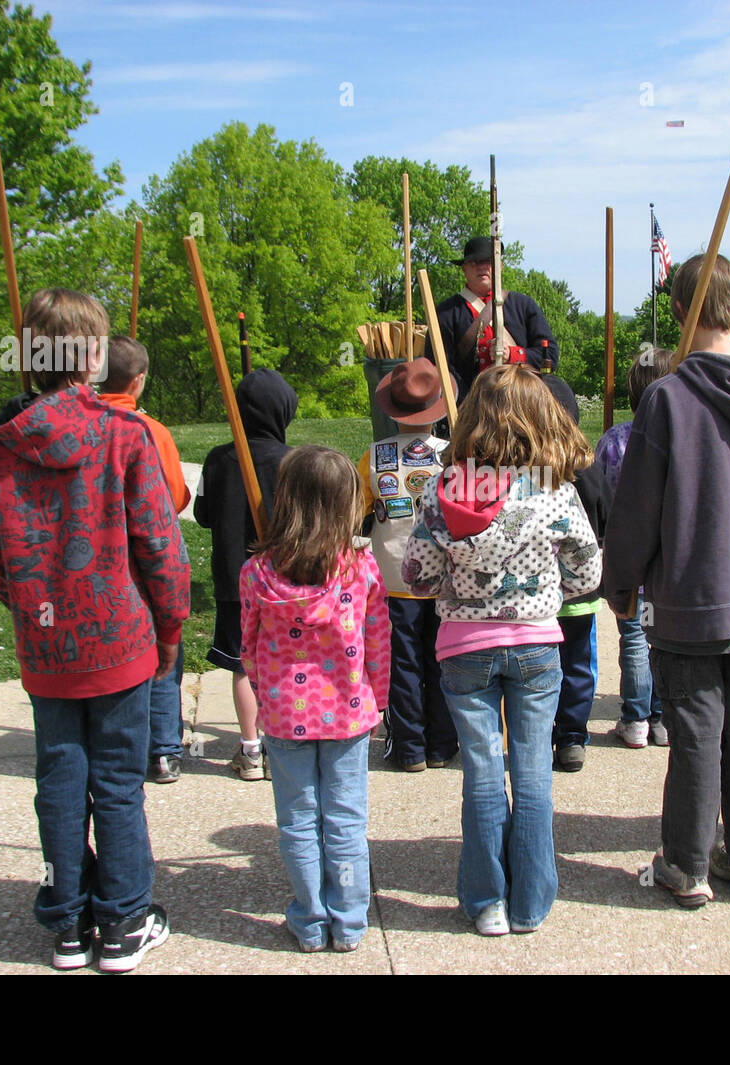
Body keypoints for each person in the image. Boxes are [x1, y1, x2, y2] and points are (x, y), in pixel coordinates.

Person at [0, 287, 190, 972]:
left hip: (47, 639)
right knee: (119, 782)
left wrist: (28, 603)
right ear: (94, 355)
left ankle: (68, 920)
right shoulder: (123, 434)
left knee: (60, 776)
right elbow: (160, 545)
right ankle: (123, 919)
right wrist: (170, 625)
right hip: (120, 638)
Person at [602, 254, 730, 908]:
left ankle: (689, 864)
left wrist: (622, 581)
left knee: (696, 729)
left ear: (681, 308)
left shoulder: (670, 397)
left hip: (692, 596)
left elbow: (637, 506)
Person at [402, 365, 601, 936]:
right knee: (535, 773)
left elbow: (417, 576)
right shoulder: (555, 490)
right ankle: (531, 903)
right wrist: (550, 582)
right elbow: (589, 573)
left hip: (464, 649)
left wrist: (454, 577)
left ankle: (487, 901)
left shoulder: (449, 489)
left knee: (484, 773)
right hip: (538, 644)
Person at [240, 446, 390, 952]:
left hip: (285, 715)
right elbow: (378, 642)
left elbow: (249, 646)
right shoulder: (361, 570)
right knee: (346, 819)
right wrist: (381, 698)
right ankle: (347, 922)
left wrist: (263, 693)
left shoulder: (258, 573)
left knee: (298, 821)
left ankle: (309, 920)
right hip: (349, 712)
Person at [97, 336, 192, 784]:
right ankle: (164, 748)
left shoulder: (82, 424)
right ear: (138, 382)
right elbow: (173, 497)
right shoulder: (152, 431)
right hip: (150, 550)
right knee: (162, 648)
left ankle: (119, 744)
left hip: (99, 556)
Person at [194, 369, 297, 782]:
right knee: (284, 661)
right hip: (283, 582)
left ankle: (250, 747)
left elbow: (202, 515)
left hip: (235, 581)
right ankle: (277, 747)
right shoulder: (292, 462)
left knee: (243, 665)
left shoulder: (220, 458)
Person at [357, 359, 456, 772]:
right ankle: (440, 745)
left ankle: (409, 748)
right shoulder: (452, 457)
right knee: (443, 662)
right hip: (443, 579)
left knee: (402, 665)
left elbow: (356, 515)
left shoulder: (372, 457)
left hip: (392, 578)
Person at [595, 347, 676, 749]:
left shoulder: (613, 442)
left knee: (633, 638)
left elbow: (601, 495)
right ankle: (659, 715)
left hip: (626, 558)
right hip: (666, 562)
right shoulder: (681, 438)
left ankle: (636, 717)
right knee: (660, 640)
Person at [542, 374, 611, 772]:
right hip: (581, 594)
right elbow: (608, 519)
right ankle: (571, 736)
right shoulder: (588, 468)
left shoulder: (528, 471)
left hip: (538, 594)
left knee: (542, 670)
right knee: (579, 667)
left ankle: (549, 733)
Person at [429, 236, 558, 397]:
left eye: (488, 262)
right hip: (471, 404)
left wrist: (512, 354)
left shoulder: (523, 305)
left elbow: (550, 356)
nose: (482, 267)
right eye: (474, 262)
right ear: (464, 268)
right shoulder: (446, 313)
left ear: (500, 266)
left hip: (522, 400)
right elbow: (439, 368)